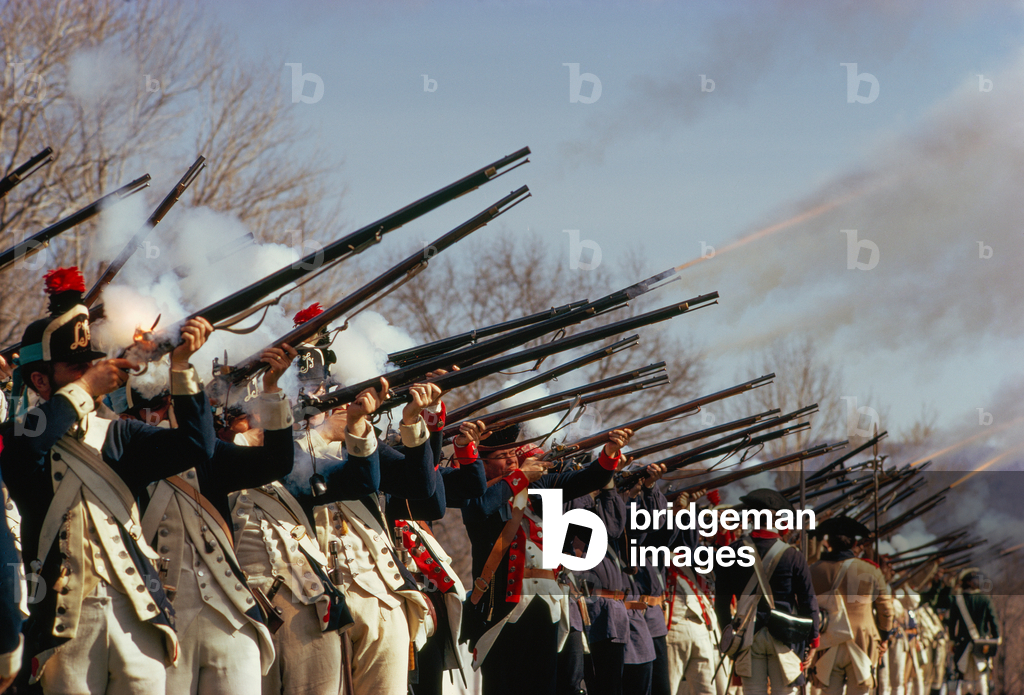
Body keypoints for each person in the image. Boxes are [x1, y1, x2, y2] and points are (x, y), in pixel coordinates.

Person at [0, 267, 213, 694]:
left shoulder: (120, 435)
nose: (88, 374)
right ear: (40, 380)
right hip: (64, 622)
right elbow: (29, 448)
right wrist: (84, 389)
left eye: (89, 365)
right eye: (74, 368)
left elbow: (197, 447)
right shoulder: (19, 435)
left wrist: (182, 365)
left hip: (139, 610)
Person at [136, 344, 298, 694]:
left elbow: (277, 462)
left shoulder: (212, 455)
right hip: (160, 616)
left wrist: (271, 390)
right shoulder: (124, 450)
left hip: (230, 612)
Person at [460, 425, 633, 695]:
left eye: (511, 454)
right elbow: (483, 505)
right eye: (501, 456)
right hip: (502, 609)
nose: (510, 460)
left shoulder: (538, 489)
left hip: (548, 606)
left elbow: (585, 480)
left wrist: (608, 453)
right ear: (482, 463)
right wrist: (519, 477)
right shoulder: (475, 493)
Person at [714, 488, 819, 695]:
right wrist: (813, 638)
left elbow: (721, 602)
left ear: (751, 517)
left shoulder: (731, 551)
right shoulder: (793, 556)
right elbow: (808, 600)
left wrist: (730, 635)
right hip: (784, 635)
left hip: (746, 635)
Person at [808, 515, 894, 695]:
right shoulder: (871, 570)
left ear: (829, 542)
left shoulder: (814, 570)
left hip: (827, 641)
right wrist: (884, 636)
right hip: (862, 641)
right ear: (854, 544)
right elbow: (885, 609)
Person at [947, 570, 999, 695]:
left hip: (963, 645)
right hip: (981, 644)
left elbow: (952, 623)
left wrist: (953, 641)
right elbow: (993, 621)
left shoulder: (958, 600)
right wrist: (996, 638)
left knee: (965, 677)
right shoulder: (985, 599)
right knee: (981, 676)